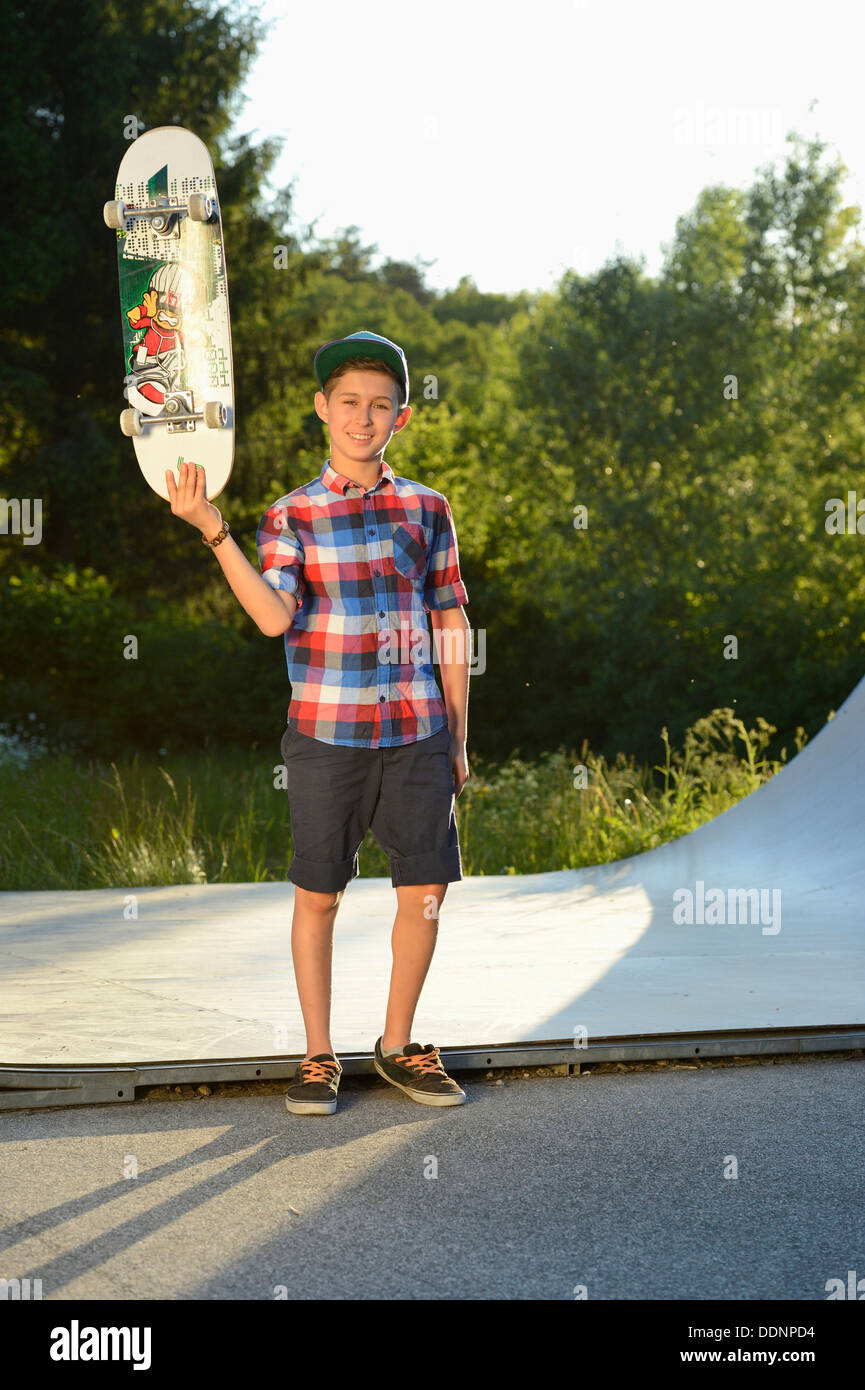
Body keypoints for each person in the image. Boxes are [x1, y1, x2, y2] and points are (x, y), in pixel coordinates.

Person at [166, 330, 472, 1115]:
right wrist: (213, 529)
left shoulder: (427, 510)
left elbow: (450, 623)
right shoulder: (288, 516)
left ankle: (400, 1045)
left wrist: (459, 737)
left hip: (417, 730)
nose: (363, 419)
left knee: (425, 890)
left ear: (401, 417)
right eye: (348, 404)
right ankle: (317, 1055)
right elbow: (273, 618)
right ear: (321, 410)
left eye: (379, 406)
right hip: (326, 734)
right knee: (319, 894)